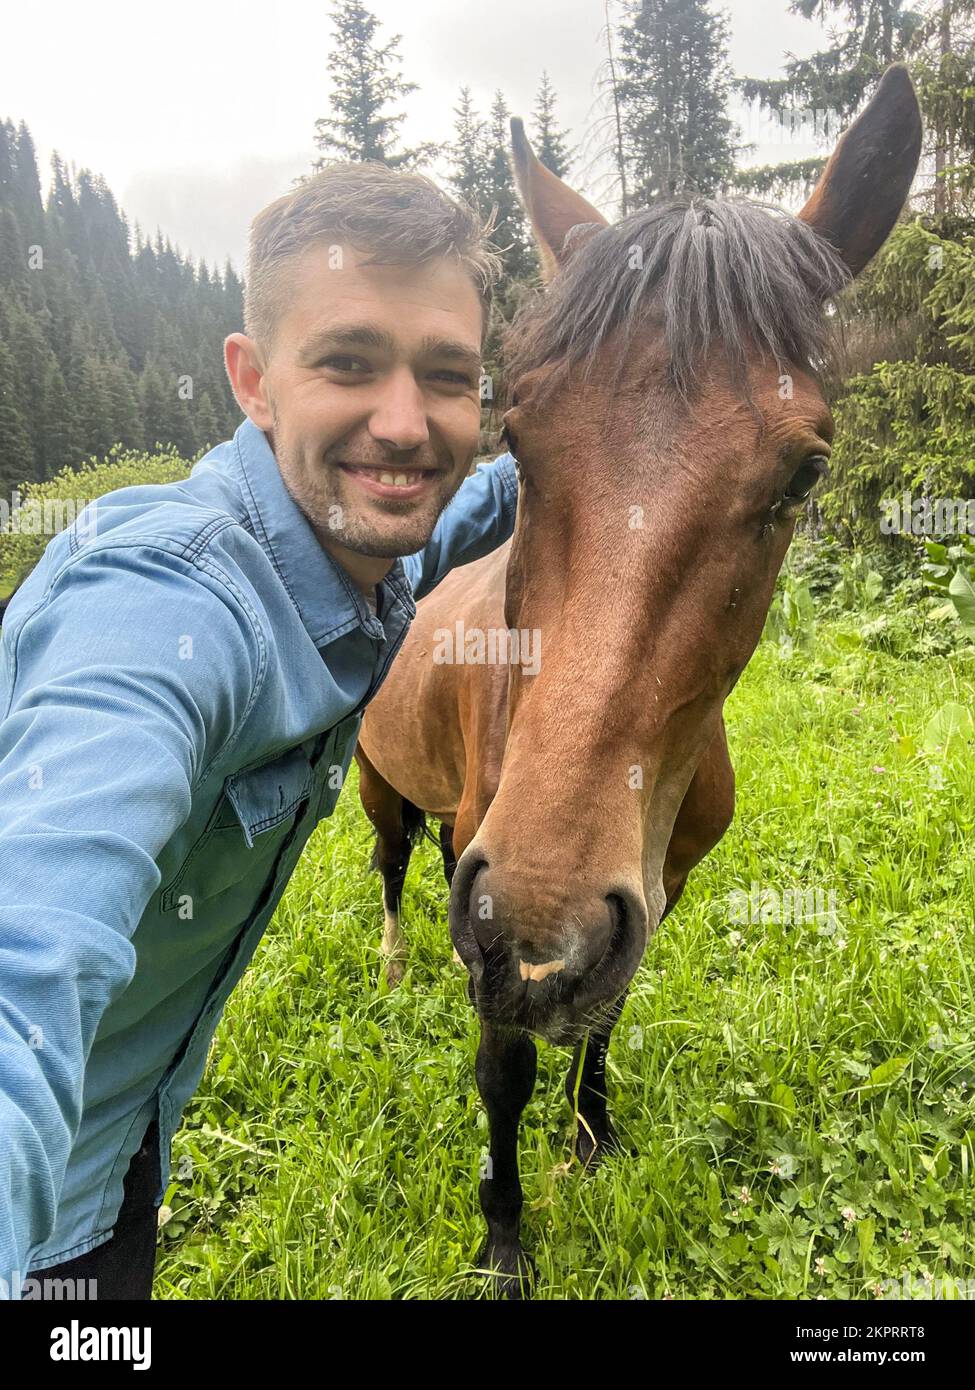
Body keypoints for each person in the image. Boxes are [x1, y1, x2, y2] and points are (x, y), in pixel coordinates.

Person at [0, 162, 517, 1300]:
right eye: (347, 361)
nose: (402, 422)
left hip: (123, 1149)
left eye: (447, 377)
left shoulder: (358, 555)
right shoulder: (169, 603)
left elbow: (456, 510)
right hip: (48, 1238)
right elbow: (23, 965)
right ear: (252, 380)